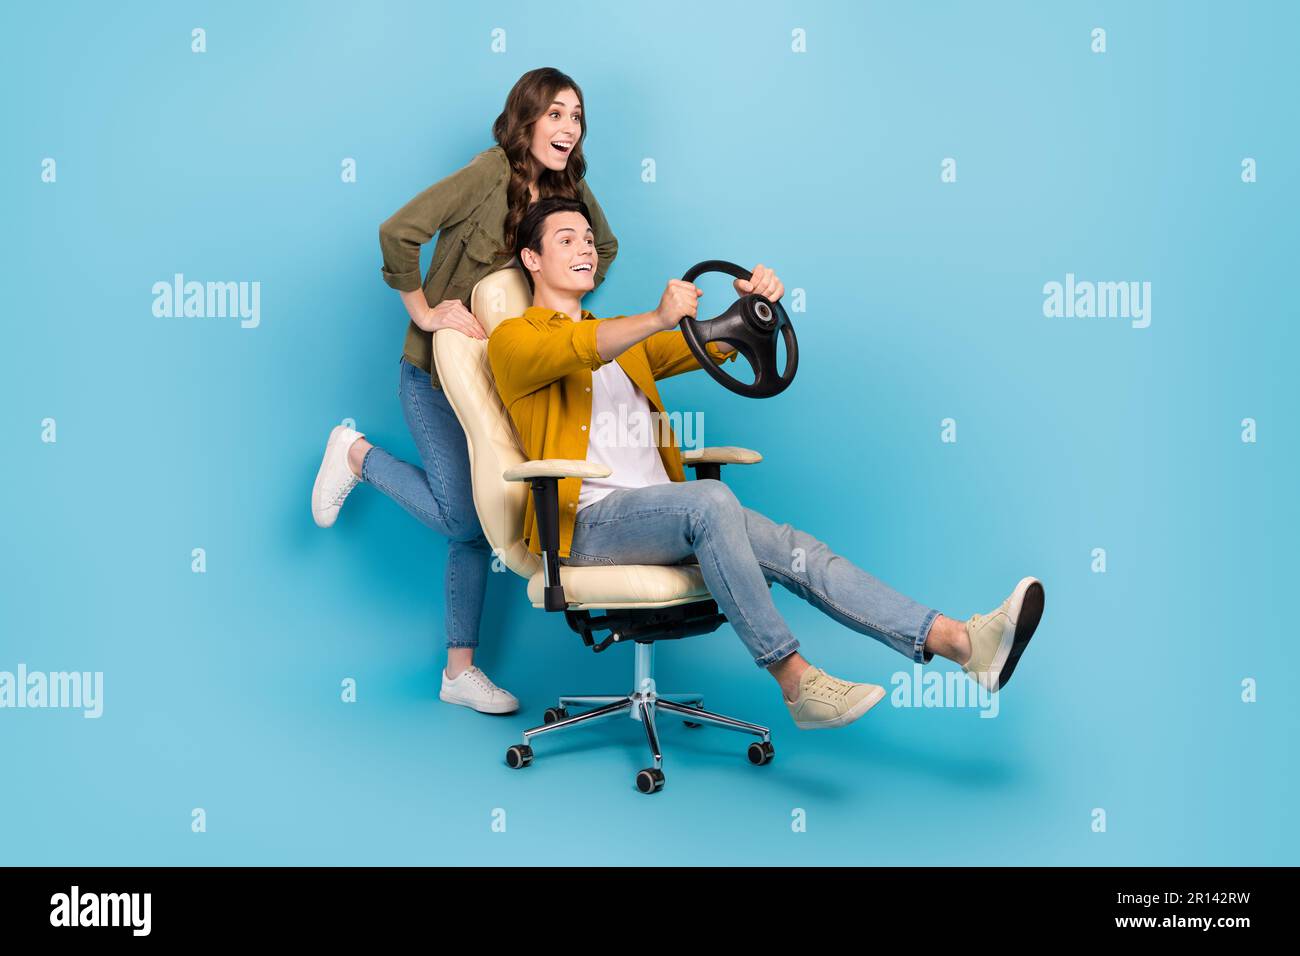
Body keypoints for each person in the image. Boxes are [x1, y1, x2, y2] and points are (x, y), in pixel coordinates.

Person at [487, 197, 1046, 730]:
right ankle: (795, 679)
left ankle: (962, 643)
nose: (585, 247)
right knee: (710, 500)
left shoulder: (629, 341)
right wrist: (656, 316)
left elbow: (709, 342)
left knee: (798, 549)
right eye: (566, 240)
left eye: (588, 237)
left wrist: (754, 307)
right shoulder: (512, 340)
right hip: (587, 527)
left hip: (661, 518)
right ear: (532, 259)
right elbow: (581, 347)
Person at [310, 69, 618, 715]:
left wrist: (552, 305)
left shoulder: (568, 189)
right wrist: (426, 313)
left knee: (484, 521)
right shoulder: (488, 173)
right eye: (557, 114)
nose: (569, 129)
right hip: (434, 374)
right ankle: (355, 455)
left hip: (505, 381)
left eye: (578, 117)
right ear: (527, 117)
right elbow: (399, 232)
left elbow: (604, 247)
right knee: (467, 520)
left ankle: (458, 674)